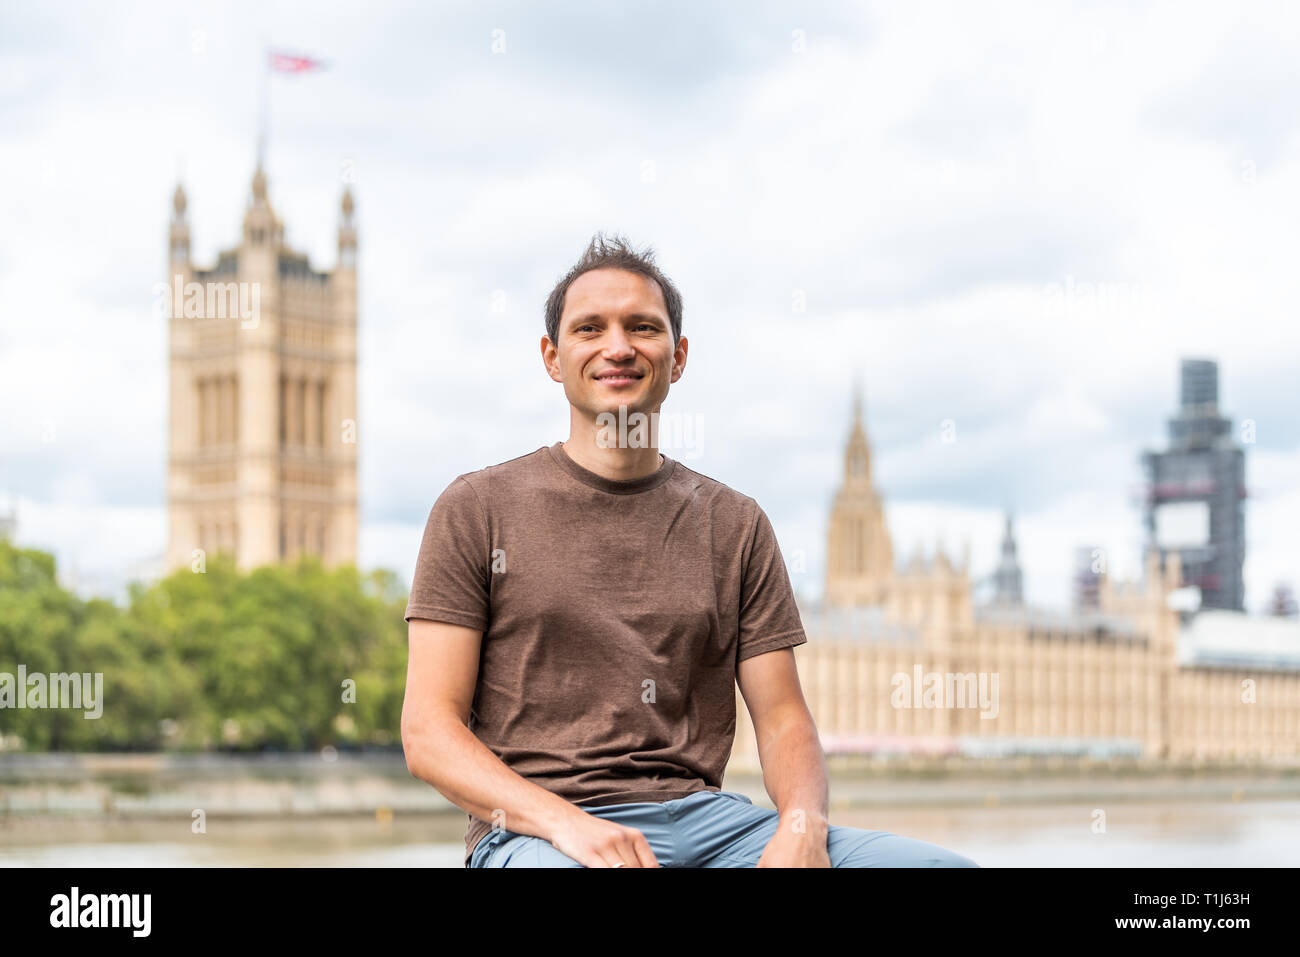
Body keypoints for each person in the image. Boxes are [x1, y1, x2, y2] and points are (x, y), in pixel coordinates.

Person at [400, 233, 978, 869]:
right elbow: (429, 733)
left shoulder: (735, 523)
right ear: (552, 357)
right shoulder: (477, 507)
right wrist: (567, 825)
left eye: (641, 327)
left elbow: (784, 718)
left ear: (676, 358)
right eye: (590, 328)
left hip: (711, 824)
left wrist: (802, 827)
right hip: (538, 830)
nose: (617, 346)